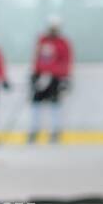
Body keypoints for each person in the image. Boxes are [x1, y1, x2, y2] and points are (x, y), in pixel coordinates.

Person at [29, 15, 72, 144]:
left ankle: (55, 131)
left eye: (55, 28)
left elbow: (66, 61)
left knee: (55, 104)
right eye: (51, 28)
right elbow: (37, 57)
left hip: (55, 78)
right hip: (40, 76)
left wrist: (65, 78)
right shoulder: (42, 40)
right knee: (36, 103)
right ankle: (34, 130)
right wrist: (35, 73)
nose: (53, 30)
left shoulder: (63, 43)